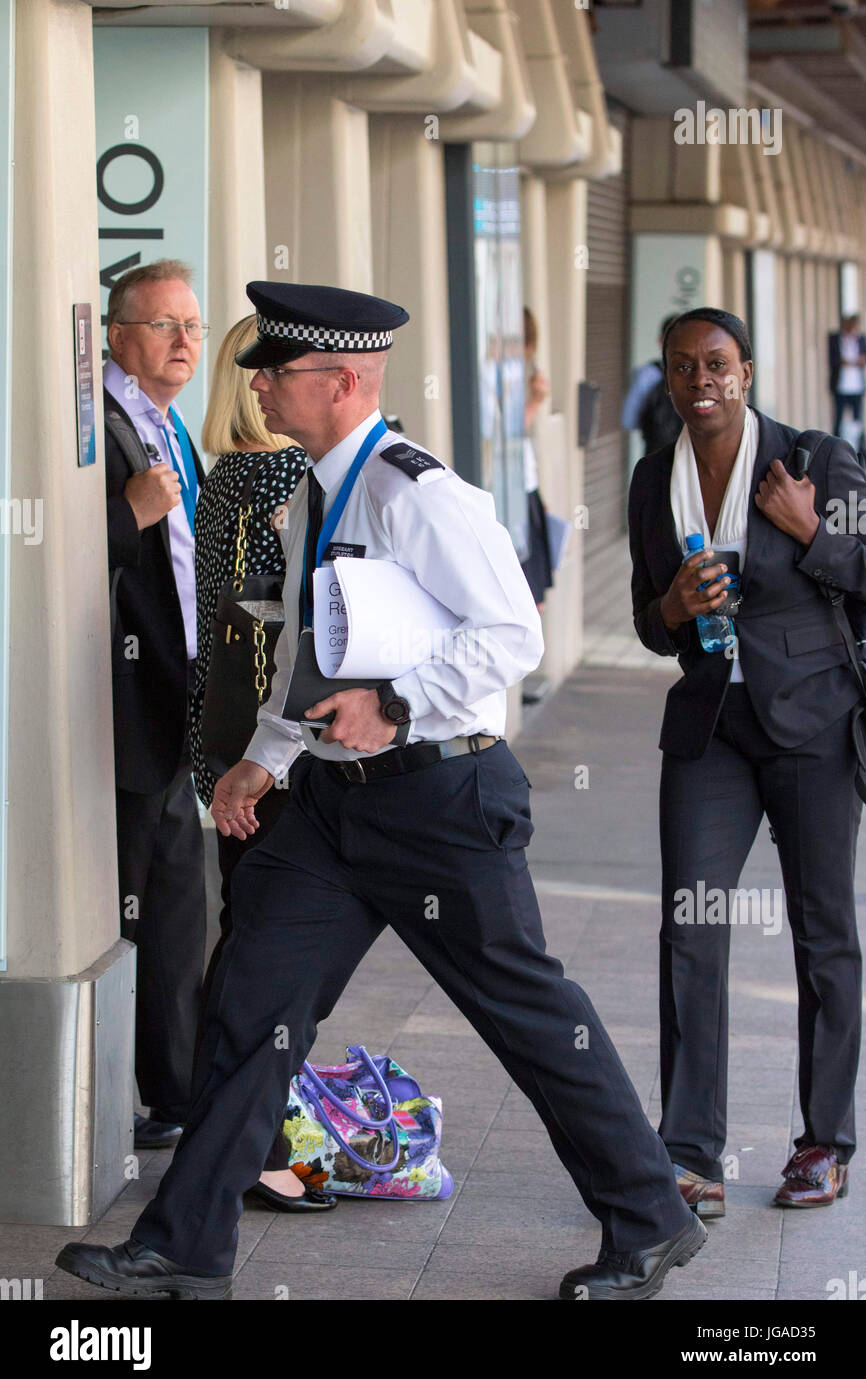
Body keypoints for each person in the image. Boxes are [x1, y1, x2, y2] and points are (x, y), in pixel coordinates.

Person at [58, 281, 702, 1302]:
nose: (259, 382)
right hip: (327, 806)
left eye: (279, 370)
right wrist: (263, 756)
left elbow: (510, 634)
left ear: (344, 381)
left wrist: (397, 705)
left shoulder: (417, 492)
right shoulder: (314, 487)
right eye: (261, 367)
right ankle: (185, 1242)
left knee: (529, 1016)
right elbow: (312, 658)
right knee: (249, 1005)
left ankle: (649, 1217)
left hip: (439, 801)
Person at [629, 306, 865, 1221]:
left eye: (718, 363)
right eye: (684, 367)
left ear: (748, 371)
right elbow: (651, 625)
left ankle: (824, 1143)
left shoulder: (814, 460)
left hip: (812, 724)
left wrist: (812, 532)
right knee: (690, 930)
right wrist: (677, 607)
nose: (702, 381)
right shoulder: (655, 479)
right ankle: (690, 1152)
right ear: (670, 377)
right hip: (711, 729)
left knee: (825, 934)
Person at [191, 316, 328, 1212]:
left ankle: (237, 1129)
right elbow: (287, 611)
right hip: (270, 739)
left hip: (225, 729)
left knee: (249, 933)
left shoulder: (221, 477)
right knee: (270, 949)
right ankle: (257, 1141)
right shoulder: (282, 471)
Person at [103, 259, 209, 1149]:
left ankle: (178, 1097)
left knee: (177, 904)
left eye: (193, 326)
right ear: (119, 335)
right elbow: (39, 553)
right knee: (131, 905)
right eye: (166, 324)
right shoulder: (98, 424)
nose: (185, 342)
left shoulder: (169, 425)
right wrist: (125, 515)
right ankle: (125, 1098)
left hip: (177, 702)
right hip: (121, 708)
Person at [520, 307, 553, 610]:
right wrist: (534, 403)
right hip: (508, 492)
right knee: (528, 596)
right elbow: (501, 437)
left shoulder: (515, 372)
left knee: (534, 596)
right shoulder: (491, 373)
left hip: (525, 488)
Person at [622, 315, 682, 457]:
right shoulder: (701, 376)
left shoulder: (647, 374)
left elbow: (628, 420)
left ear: (660, 341)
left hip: (656, 457)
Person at [828, 314, 866, 446]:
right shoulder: (835, 338)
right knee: (838, 420)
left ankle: (860, 449)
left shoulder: (860, 339)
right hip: (840, 386)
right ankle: (835, 446)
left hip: (856, 386)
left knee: (857, 420)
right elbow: (834, 360)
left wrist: (852, 361)